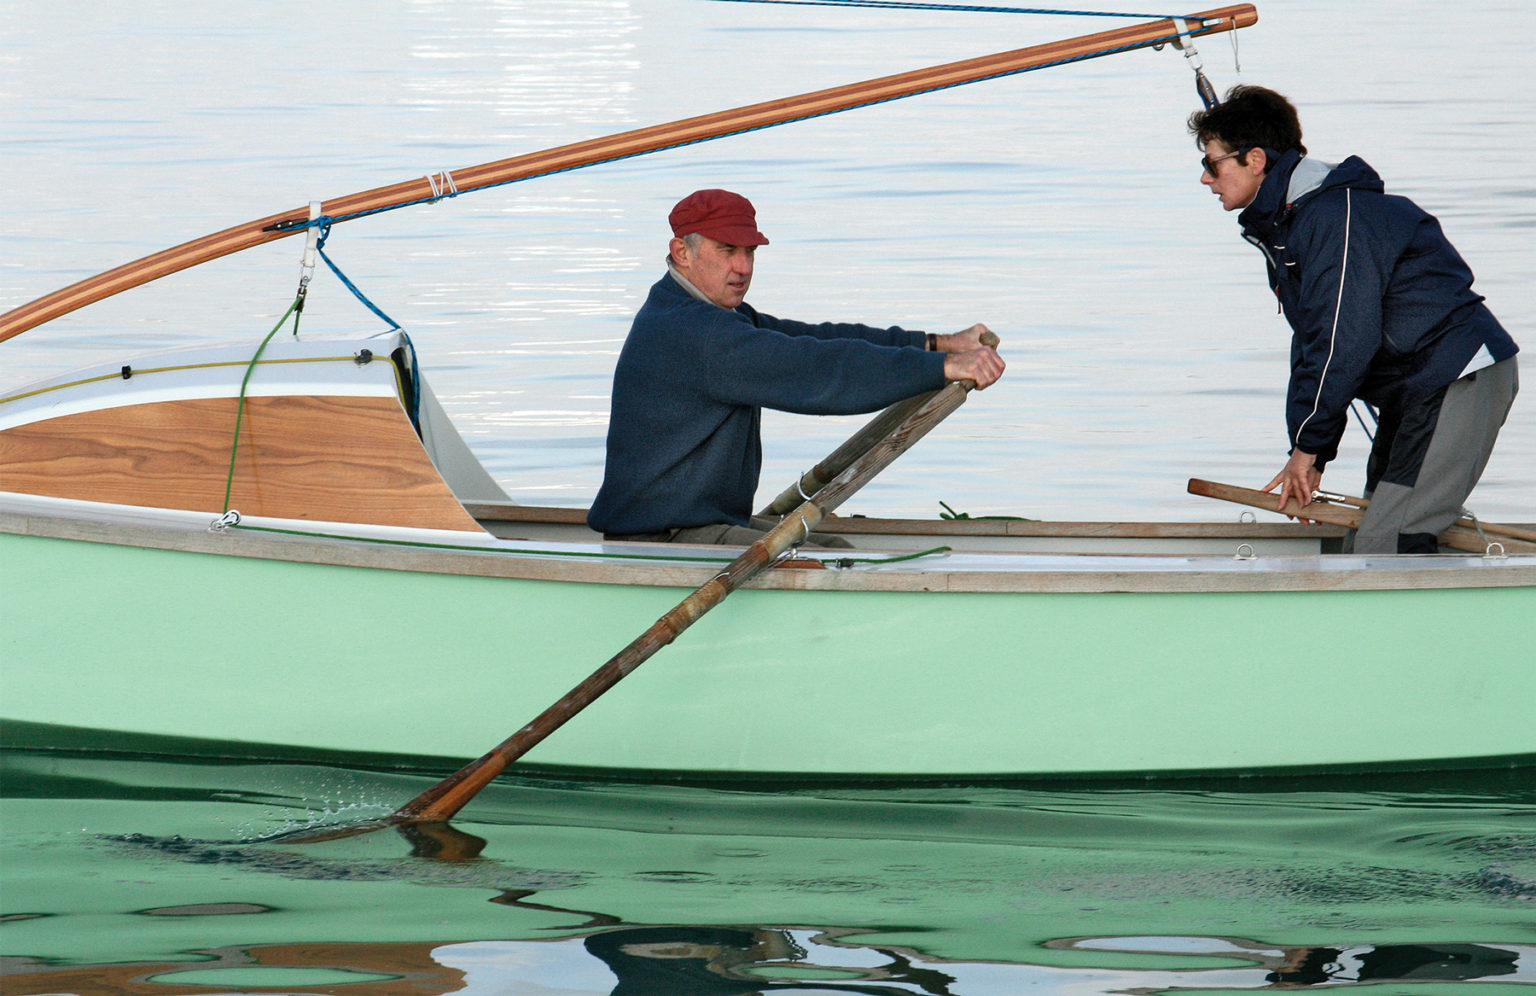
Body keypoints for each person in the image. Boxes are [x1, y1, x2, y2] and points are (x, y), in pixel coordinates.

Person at [1188, 86, 1519, 553]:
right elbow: (1312, 342)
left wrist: (1309, 447)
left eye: (1211, 163)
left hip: (1458, 374)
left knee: (1393, 539)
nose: (1206, 178)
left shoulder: (1331, 217)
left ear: (1255, 159)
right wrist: (1312, 452)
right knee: (1367, 534)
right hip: (1417, 388)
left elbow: (1343, 340)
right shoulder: (1291, 223)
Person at [587, 188, 1005, 546]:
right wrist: (943, 367)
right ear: (683, 252)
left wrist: (936, 344)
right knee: (832, 562)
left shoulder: (698, 313)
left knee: (835, 548)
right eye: (727, 250)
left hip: (695, 523)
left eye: (750, 251)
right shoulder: (699, 332)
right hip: (663, 539)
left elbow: (816, 340)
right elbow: (818, 370)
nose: (743, 267)